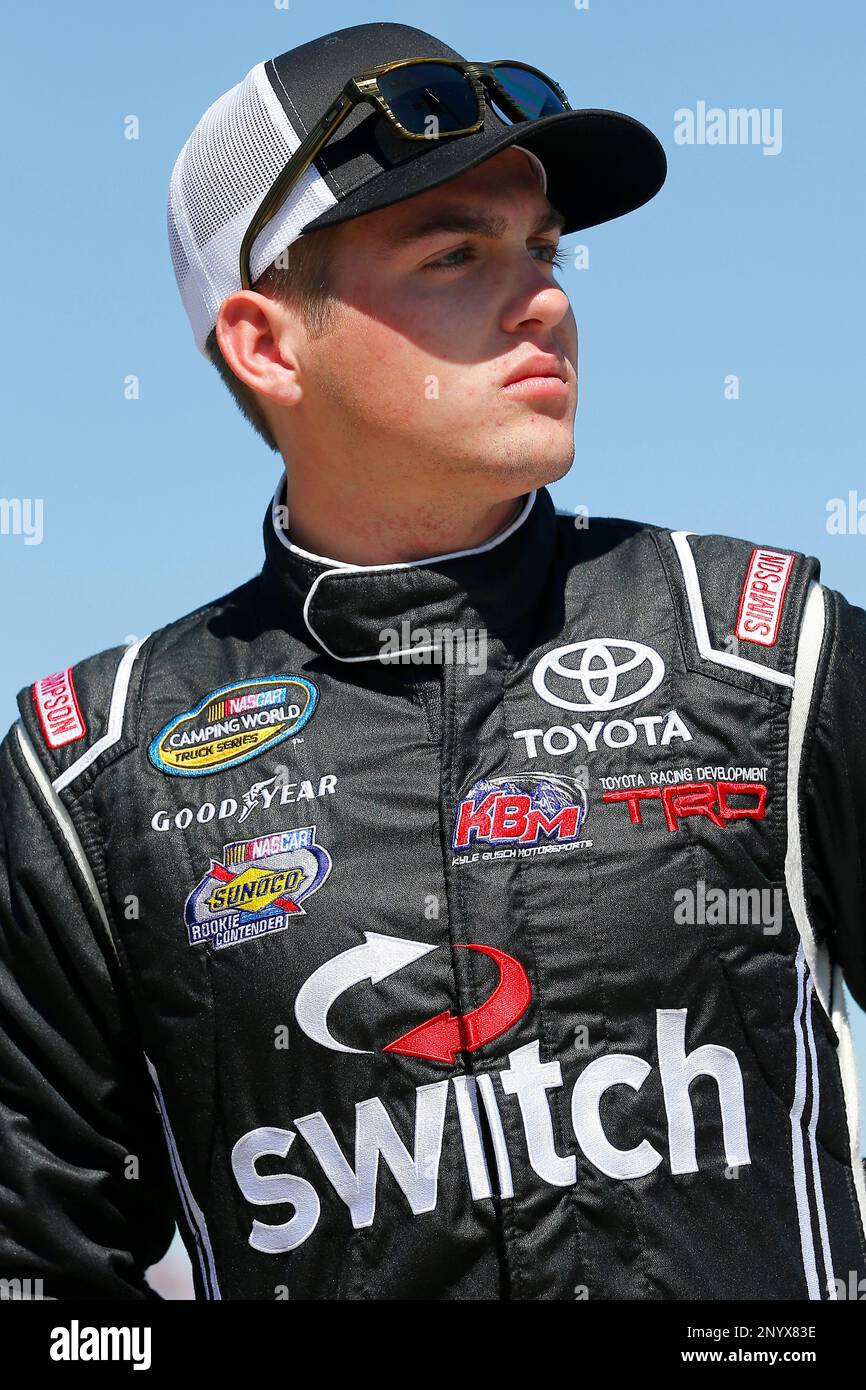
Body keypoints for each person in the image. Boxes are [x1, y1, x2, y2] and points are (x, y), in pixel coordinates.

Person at [1, 19, 864, 1302]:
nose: (548, 301)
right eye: (457, 253)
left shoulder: (761, 647)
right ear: (265, 342)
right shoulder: (87, 778)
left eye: (545, 249)